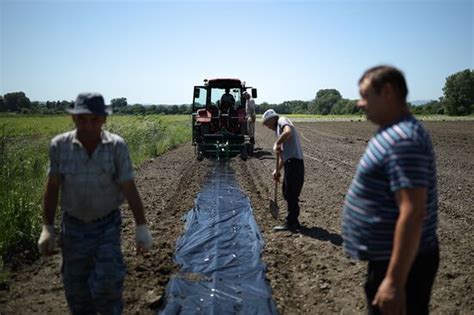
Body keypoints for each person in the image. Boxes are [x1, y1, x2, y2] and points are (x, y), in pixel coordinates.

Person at [37, 92, 153, 314]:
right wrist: (48, 228)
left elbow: (129, 186)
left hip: (106, 225)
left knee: (108, 285)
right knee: (77, 292)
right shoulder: (59, 146)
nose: (89, 126)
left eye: (95, 120)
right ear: (73, 118)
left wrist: (141, 227)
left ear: (104, 120)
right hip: (72, 227)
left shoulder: (116, 146)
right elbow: (53, 186)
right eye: (82, 119)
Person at [342, 66, 439, 315]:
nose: (359, 103)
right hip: (389, 258)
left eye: (364, 95)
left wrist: (395, 281)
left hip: (403, 266)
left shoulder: (403, 139)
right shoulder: (392, 132)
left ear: (387, 92)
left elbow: (413, 211)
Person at [262, 109, 304, 231]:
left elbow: (288, 132)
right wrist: (277, 170)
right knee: (287, 192)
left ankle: (291, 222)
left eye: (266, 123)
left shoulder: (282, 120)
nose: (267, 127)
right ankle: (293, 221)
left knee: (291, 193)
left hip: (295, 163)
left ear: (272, 119)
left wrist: (277, 142)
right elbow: (283, 156)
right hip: (290, 163)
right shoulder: (278, 129)